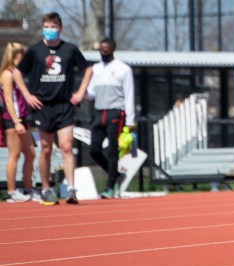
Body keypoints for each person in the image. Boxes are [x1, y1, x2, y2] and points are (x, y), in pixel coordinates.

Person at [17, 12, 92, 205]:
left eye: (54, 27)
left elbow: (88, 70)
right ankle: (46, 188)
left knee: (67, 146)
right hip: (43, 106)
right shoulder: (35, 51)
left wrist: (80, 92)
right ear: (43, 28)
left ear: (60, 28)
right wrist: (28, 95)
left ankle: (71, 189)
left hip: (64, 105)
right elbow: (17, 72)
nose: (50, 30)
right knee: (46, 148)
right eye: (47, 27)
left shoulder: (69, 49)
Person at [85, 38, 136, 198]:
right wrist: (80, 94)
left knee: (113, 149)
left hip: (116, 112)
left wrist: (130, 120)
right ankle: (116, 174)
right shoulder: (95, 69)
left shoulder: (123, 69)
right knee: (94, 149)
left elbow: (129, 95)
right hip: (99, 112)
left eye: (106, 50)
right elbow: (91, 93)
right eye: (101, 50)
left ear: (113, 49)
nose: (103, 52)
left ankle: (110, 185)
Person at [3, 43, 40, 202]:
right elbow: (8, 100)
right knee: (15, 155)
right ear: (15, 56)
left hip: (23, 118)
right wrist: (16, 121)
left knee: (30, 154)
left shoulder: (18, 74)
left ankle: (27, 188)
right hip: (13, 119)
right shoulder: (8, 74)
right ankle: (11, 191)